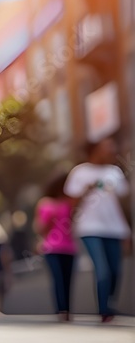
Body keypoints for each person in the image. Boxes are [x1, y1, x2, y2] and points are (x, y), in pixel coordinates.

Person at [64, 137, 131, 323]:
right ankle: (104, 310)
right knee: (102, 270)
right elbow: (71, 204)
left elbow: (123, 204)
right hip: (89, 227)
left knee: (116, 271)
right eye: (108, 147)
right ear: (96, 150)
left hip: (114, 228)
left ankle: (108, 303)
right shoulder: (80, 172)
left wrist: (127, 230)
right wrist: (86, 191)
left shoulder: (114, 172)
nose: (112, 150)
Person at [34, 174, 77, 321]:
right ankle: (61, 311)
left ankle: (68, 311)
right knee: (58, 279)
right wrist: (50, 219)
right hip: (51, 248)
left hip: (69, 248)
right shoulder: (45, 203)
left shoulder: (69, 203)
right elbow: (39, 228)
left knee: (68, 280)